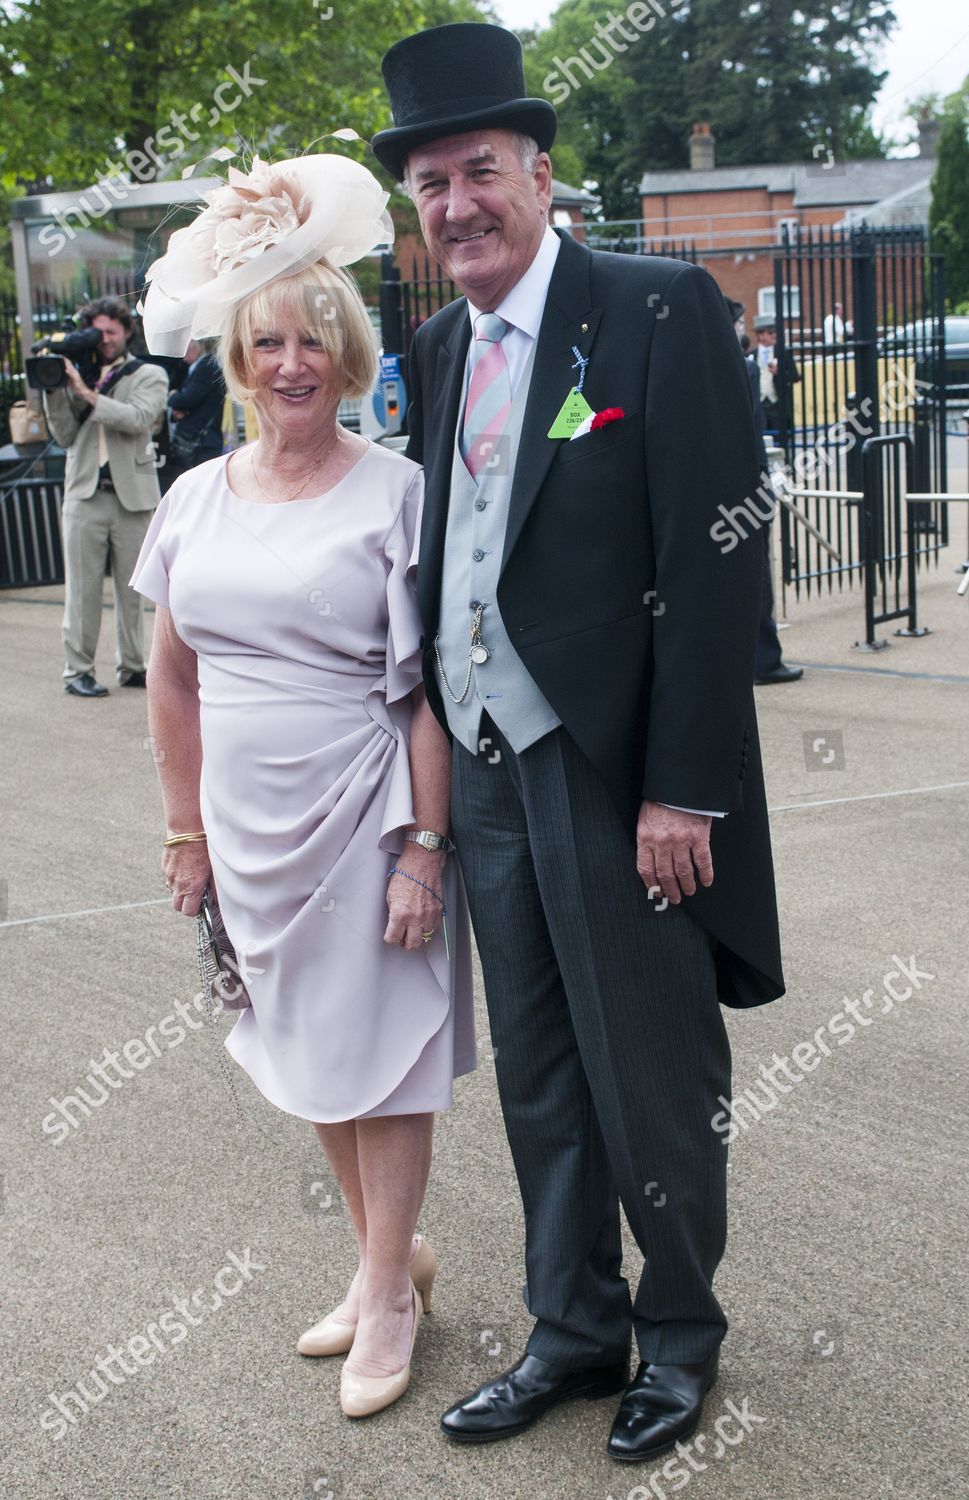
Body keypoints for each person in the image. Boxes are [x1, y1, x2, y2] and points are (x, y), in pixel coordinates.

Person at [374, 23, 784, 1463]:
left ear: (541, 176)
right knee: (541, 1066)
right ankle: (571, 1325)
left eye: (480, 168)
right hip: (482, 761)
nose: (457, 203)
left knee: (647, 1065)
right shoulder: (432, 346)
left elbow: (717, 564)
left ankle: (676, 1333)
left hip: (617, 775)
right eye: (430, 183)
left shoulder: (657, 311)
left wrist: (684, 787)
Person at [130, 152, 476, 1420]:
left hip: (365, 810)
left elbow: (430, 688)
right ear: (237, 358)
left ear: (347, 356)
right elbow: (171, 680)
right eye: (266, 341)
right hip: (245, 830)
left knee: (382, 1060)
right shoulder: (188, 500)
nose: (290, 364)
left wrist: (427, 847)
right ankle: (394, 1259)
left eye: (312, 341)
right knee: (304, 1054)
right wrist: (183, 831)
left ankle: (387, 1293)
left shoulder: (403, 495)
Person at [42, 297, 169, 697]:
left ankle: (133, 666)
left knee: (133, 592)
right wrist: (56, 389)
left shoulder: (149, 374)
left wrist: (89, 394)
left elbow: (138, 419)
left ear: (127, 331)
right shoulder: (76, 375)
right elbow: (63, 436)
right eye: (97, 333)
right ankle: (77, 670)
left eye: (112, 332)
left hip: (132, 497)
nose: (105, 340)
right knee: (82, 590)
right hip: (84, 496)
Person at [725, 297, 802, 686]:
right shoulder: (743, 366)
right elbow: (750, 431)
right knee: (757, 581)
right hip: (744, 490)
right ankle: (765, 661)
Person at [167, 337, 226, 471]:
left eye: (185, 345)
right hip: (198, 441)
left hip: (202, 443)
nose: (181, 350)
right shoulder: (197, 367)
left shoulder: (206, 367)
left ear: (199, 346)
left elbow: (185, 401)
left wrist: (172, 396)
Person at [752, 313, 799, 435]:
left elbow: (795, 377)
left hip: (778, 406)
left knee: (781, 442)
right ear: (760, 335)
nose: (774, 335)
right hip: (759, 406)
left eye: (775, 332)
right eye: (770, 332)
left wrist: (780, 372)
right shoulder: (751, 355)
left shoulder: (783, 353)